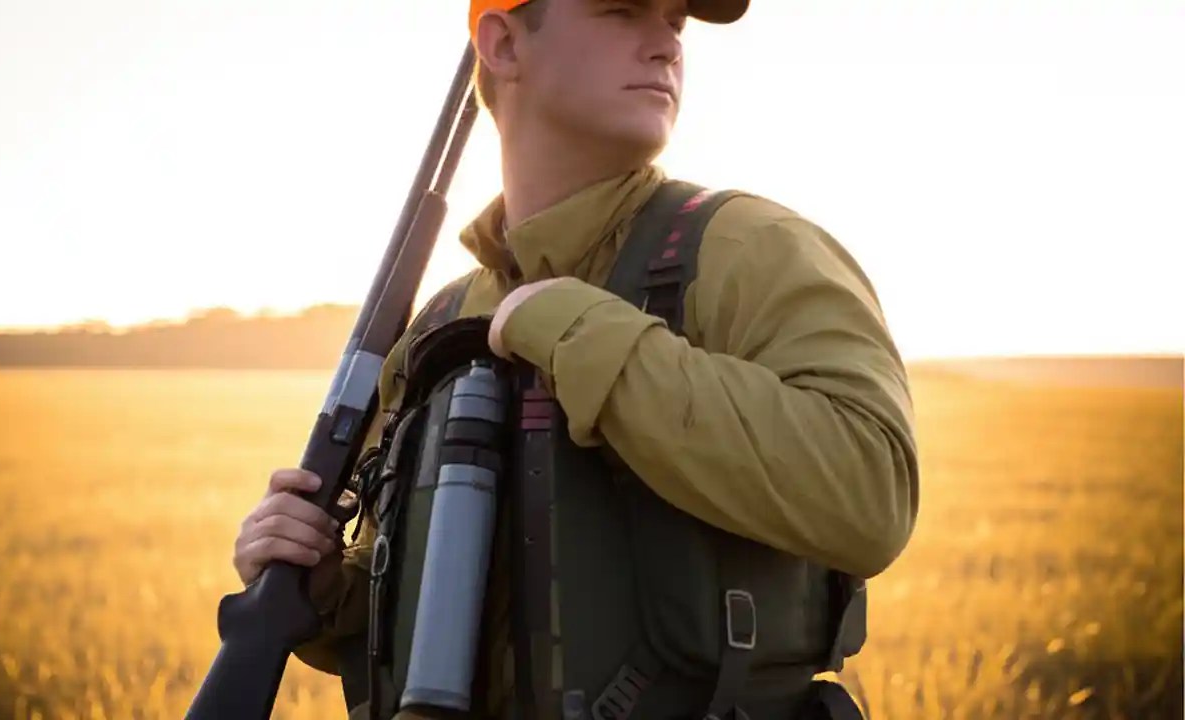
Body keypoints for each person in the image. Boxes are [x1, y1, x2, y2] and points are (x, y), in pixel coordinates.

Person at [232, 0, 920, 717]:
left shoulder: (753, 250)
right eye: (621, 11)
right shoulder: (438, 324)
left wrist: (576, 329)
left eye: (675, 23)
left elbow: (872, 493)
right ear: (502, 44)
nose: (664, 46)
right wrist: (324, 588)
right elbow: (406, 586)